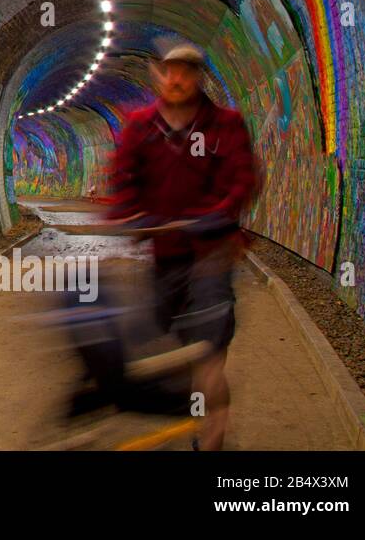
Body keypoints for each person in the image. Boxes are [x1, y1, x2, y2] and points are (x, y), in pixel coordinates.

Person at [105, 42, 260, 450]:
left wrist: (218, 215)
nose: (177, 79)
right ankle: (191, 416)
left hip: (212, 256)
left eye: (187, 72)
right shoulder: (140, 126)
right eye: (171, 71)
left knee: (208, 354)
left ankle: (209, 442)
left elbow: (243, 179)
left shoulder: (225, 125)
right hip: (164, 259)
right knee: (169, 349)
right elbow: (122, 179)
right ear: (159, 75)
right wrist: (129, 214)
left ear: (199, 78)